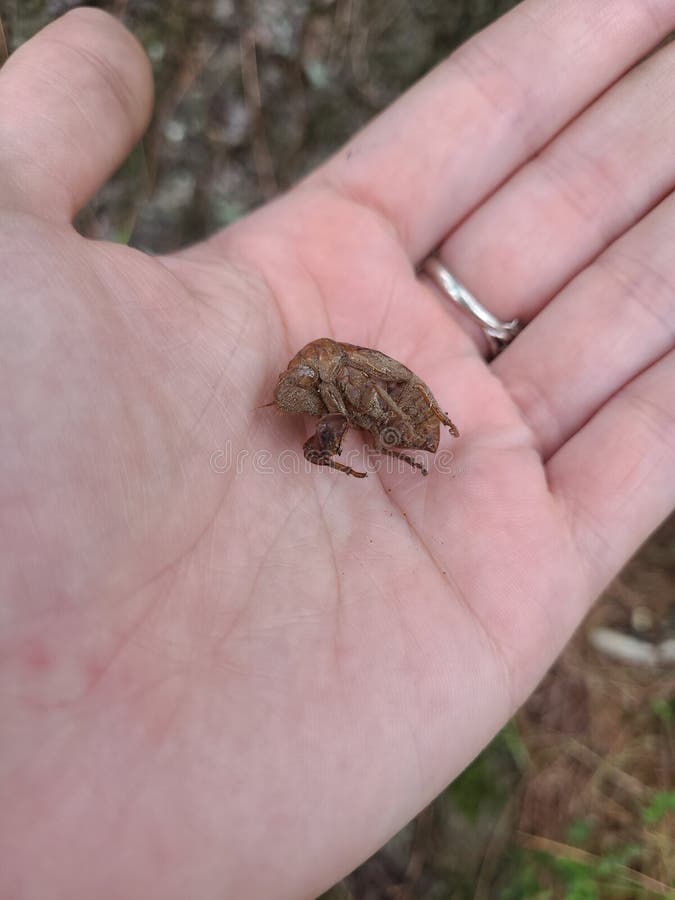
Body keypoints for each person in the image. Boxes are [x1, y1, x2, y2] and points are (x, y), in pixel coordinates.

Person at [1, 3, 673, 897]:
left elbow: (359, 404)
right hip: (349, 381)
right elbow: (339, 412)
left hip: (360, 382)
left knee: (388, 415)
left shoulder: (344, 394)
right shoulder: (319, 396)